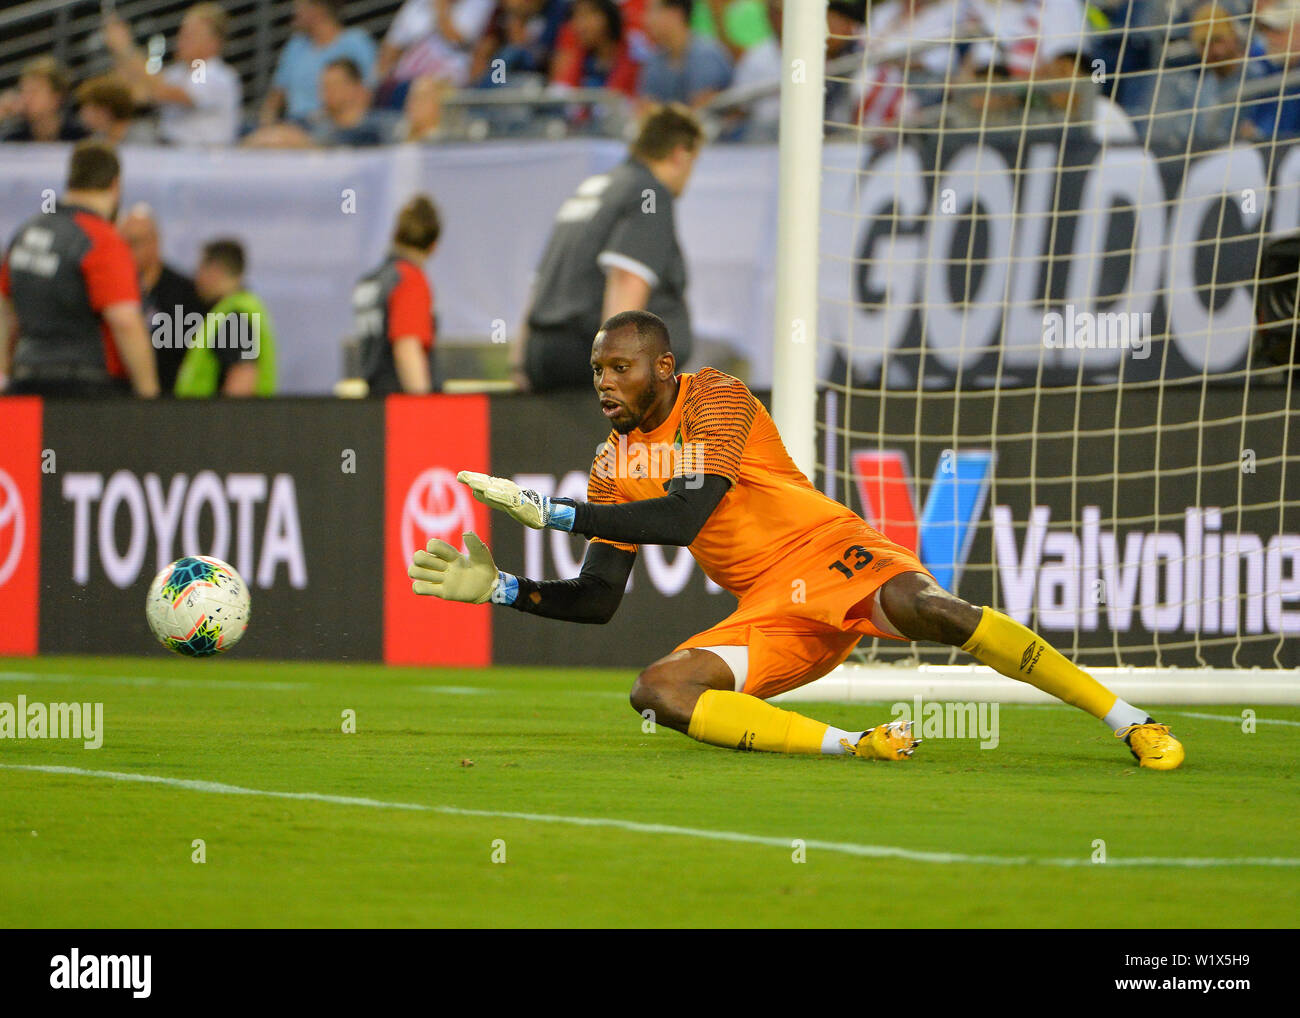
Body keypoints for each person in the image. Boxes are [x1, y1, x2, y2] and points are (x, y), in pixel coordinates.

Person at [410, 309, 1186, 770]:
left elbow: (685, 520)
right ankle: (856, 746)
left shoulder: (714, 396)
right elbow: (599, 600)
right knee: (658, 691)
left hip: (829, 552)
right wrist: (504, 589)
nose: (605, 382)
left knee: (934, 610)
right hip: (773, 607)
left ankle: (1129, 721)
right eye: (597, 369)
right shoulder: (612, 466)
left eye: (621, 367)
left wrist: (554, 512)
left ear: (663, 367)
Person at [515, 102, 701, 392]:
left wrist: (518, 363)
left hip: (543, 355)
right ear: (680, 155)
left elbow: (540, 281)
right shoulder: (650, 193)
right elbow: (627, 277)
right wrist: (617, 376)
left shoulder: (595, 189)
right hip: (586, 365)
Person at [0, 141, 158, 398]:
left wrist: (6, 374)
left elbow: (7, 312)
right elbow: (125, 321)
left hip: (25, 379)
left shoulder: (28, 231)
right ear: (115, 184)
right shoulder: (101, 238)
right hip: (86, 388)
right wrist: (148, 394)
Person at [104, 2, 242, 146]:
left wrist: (125, 48)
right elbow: (142, 92)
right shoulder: (177, 72)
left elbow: (162, 91)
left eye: (192, 34)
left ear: (214, 42)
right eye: (182, 32)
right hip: (172, 153)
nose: (181, 39)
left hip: (206, 159)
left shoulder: (217, 74)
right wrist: (118, 55)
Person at [351, 195, 441, 395]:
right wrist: (424, 411)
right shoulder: (409, 279)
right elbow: (407, 349)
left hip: (375, 401)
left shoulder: (371, 281)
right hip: (401, 411)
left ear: (395, 234)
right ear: (433, 245)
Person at [119, 204, 208, 395]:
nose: (126, 250)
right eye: (121, 243)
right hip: (122, 397)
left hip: (174, 400)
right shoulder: (113, 292)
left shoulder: (187, 293)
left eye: (133, 242)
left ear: (154, 242)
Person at [175, 239, 277, 397]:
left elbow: (242, 382)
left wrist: (221, 421)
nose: (197, 277)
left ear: (215, 271)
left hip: (220, 420)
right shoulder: (240, 308)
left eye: (201, 268)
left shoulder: (234, 317)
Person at [261, 0, 378, 125]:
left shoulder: (355, 42)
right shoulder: (296, 45)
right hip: (296, 124)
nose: (294, 13)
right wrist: (266, 125)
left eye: (299, 7)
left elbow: (369, 91)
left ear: (318, 9)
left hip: (334, 123)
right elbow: (275, 99)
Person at [246, 59, 395, 148]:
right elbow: (276, 134)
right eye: (323, 86)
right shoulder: (314, 123)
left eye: (334, 85)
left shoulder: (380, 126)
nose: (326, 92)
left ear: (356, 88)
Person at [639, 0, 733, 108]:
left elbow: (703, 111)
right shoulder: (655, 60)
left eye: (652, 11)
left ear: (675, 13)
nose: (646, 19)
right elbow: (645, 108)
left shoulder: (706, 55)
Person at [0, 57, 88, 143]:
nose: (26, 98)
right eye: (23, 91)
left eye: (34, 92)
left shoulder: (81, 136)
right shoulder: (13, 138)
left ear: (56, 97)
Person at [75, 74, 150, 145]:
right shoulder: (96, 139)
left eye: (87, 108)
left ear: (104, 110)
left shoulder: (143, 137)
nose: (82, 113)